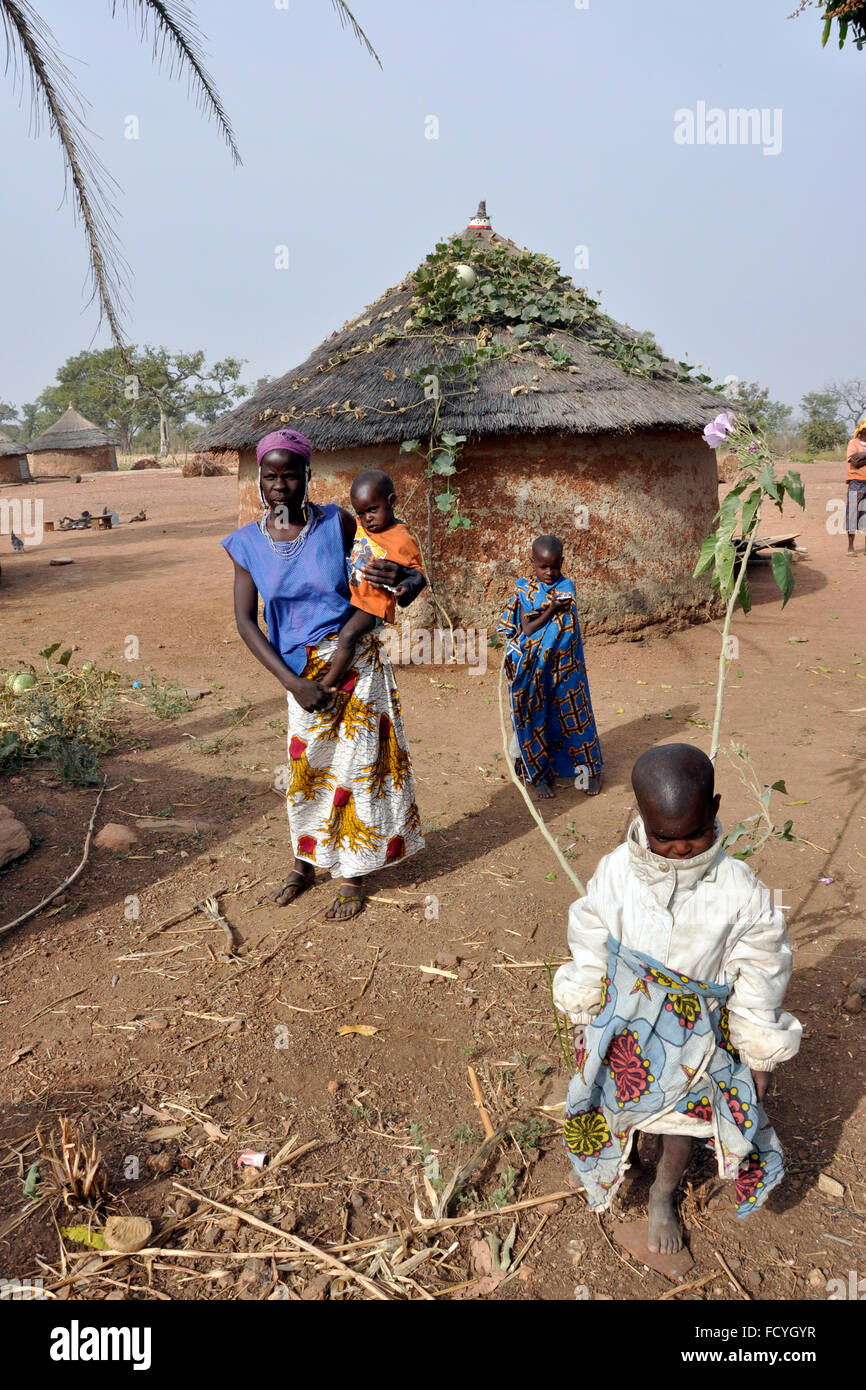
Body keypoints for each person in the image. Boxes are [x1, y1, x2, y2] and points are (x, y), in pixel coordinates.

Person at [553, 744, 801, 1255]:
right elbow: (591, 940)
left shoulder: (739, 890)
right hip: (624, 1022)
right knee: (617, 1103)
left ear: (714, 808)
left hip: (696, 1037)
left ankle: (663, 1194)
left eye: (695, 833)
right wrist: (583, 1010)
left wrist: (758, 1051)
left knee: (680, 1125)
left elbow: (759, 969)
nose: (682, 849)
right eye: (665, 837)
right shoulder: (616, 874)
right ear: (641, 818)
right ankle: (631, 1162)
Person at [222, 429, 425, 921]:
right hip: (297, 671)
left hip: (358, 662)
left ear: (307, 476)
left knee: (358, 767)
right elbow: (246, 622)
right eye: (270, 476)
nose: (279, 485)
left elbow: (396, 563)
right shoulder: (247, 544)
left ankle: (353, 871)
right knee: (307, 767)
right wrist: (292, 684)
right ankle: (305, 860)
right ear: (259, 480)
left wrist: (408, 580)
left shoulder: (338, 523)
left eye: (290, 474)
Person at [497, 535, 602, 799]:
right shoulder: (525, 591)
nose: (549, 573)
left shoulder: (567, 587)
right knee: (535, 716)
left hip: (567, 667)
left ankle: (589, 771)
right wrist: (552, 608)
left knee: (576, 716)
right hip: (536, 668)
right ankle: (540, 775)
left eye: (554, 566)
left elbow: (567, 626)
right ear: (532, 562)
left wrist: (556, 607)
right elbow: (529, 628)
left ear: (562, 563)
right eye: (543, 567)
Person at [320, 469, 426, 692]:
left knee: (348, 635)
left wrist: (405, 587)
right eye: (361, 513)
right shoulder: (360, 528)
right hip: (356, 597)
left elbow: (416, 573)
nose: (367, 518)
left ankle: (329, 682)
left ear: (392, 501)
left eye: (372, 510)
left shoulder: (402, 537)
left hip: (374, 605)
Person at [845, 416, 866, 555]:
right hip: (856, 482)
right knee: (852, 514)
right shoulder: (853, 443)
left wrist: (862, 455)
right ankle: (851, 547)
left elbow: (859, 459)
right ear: (862, 430)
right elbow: (855, 463)